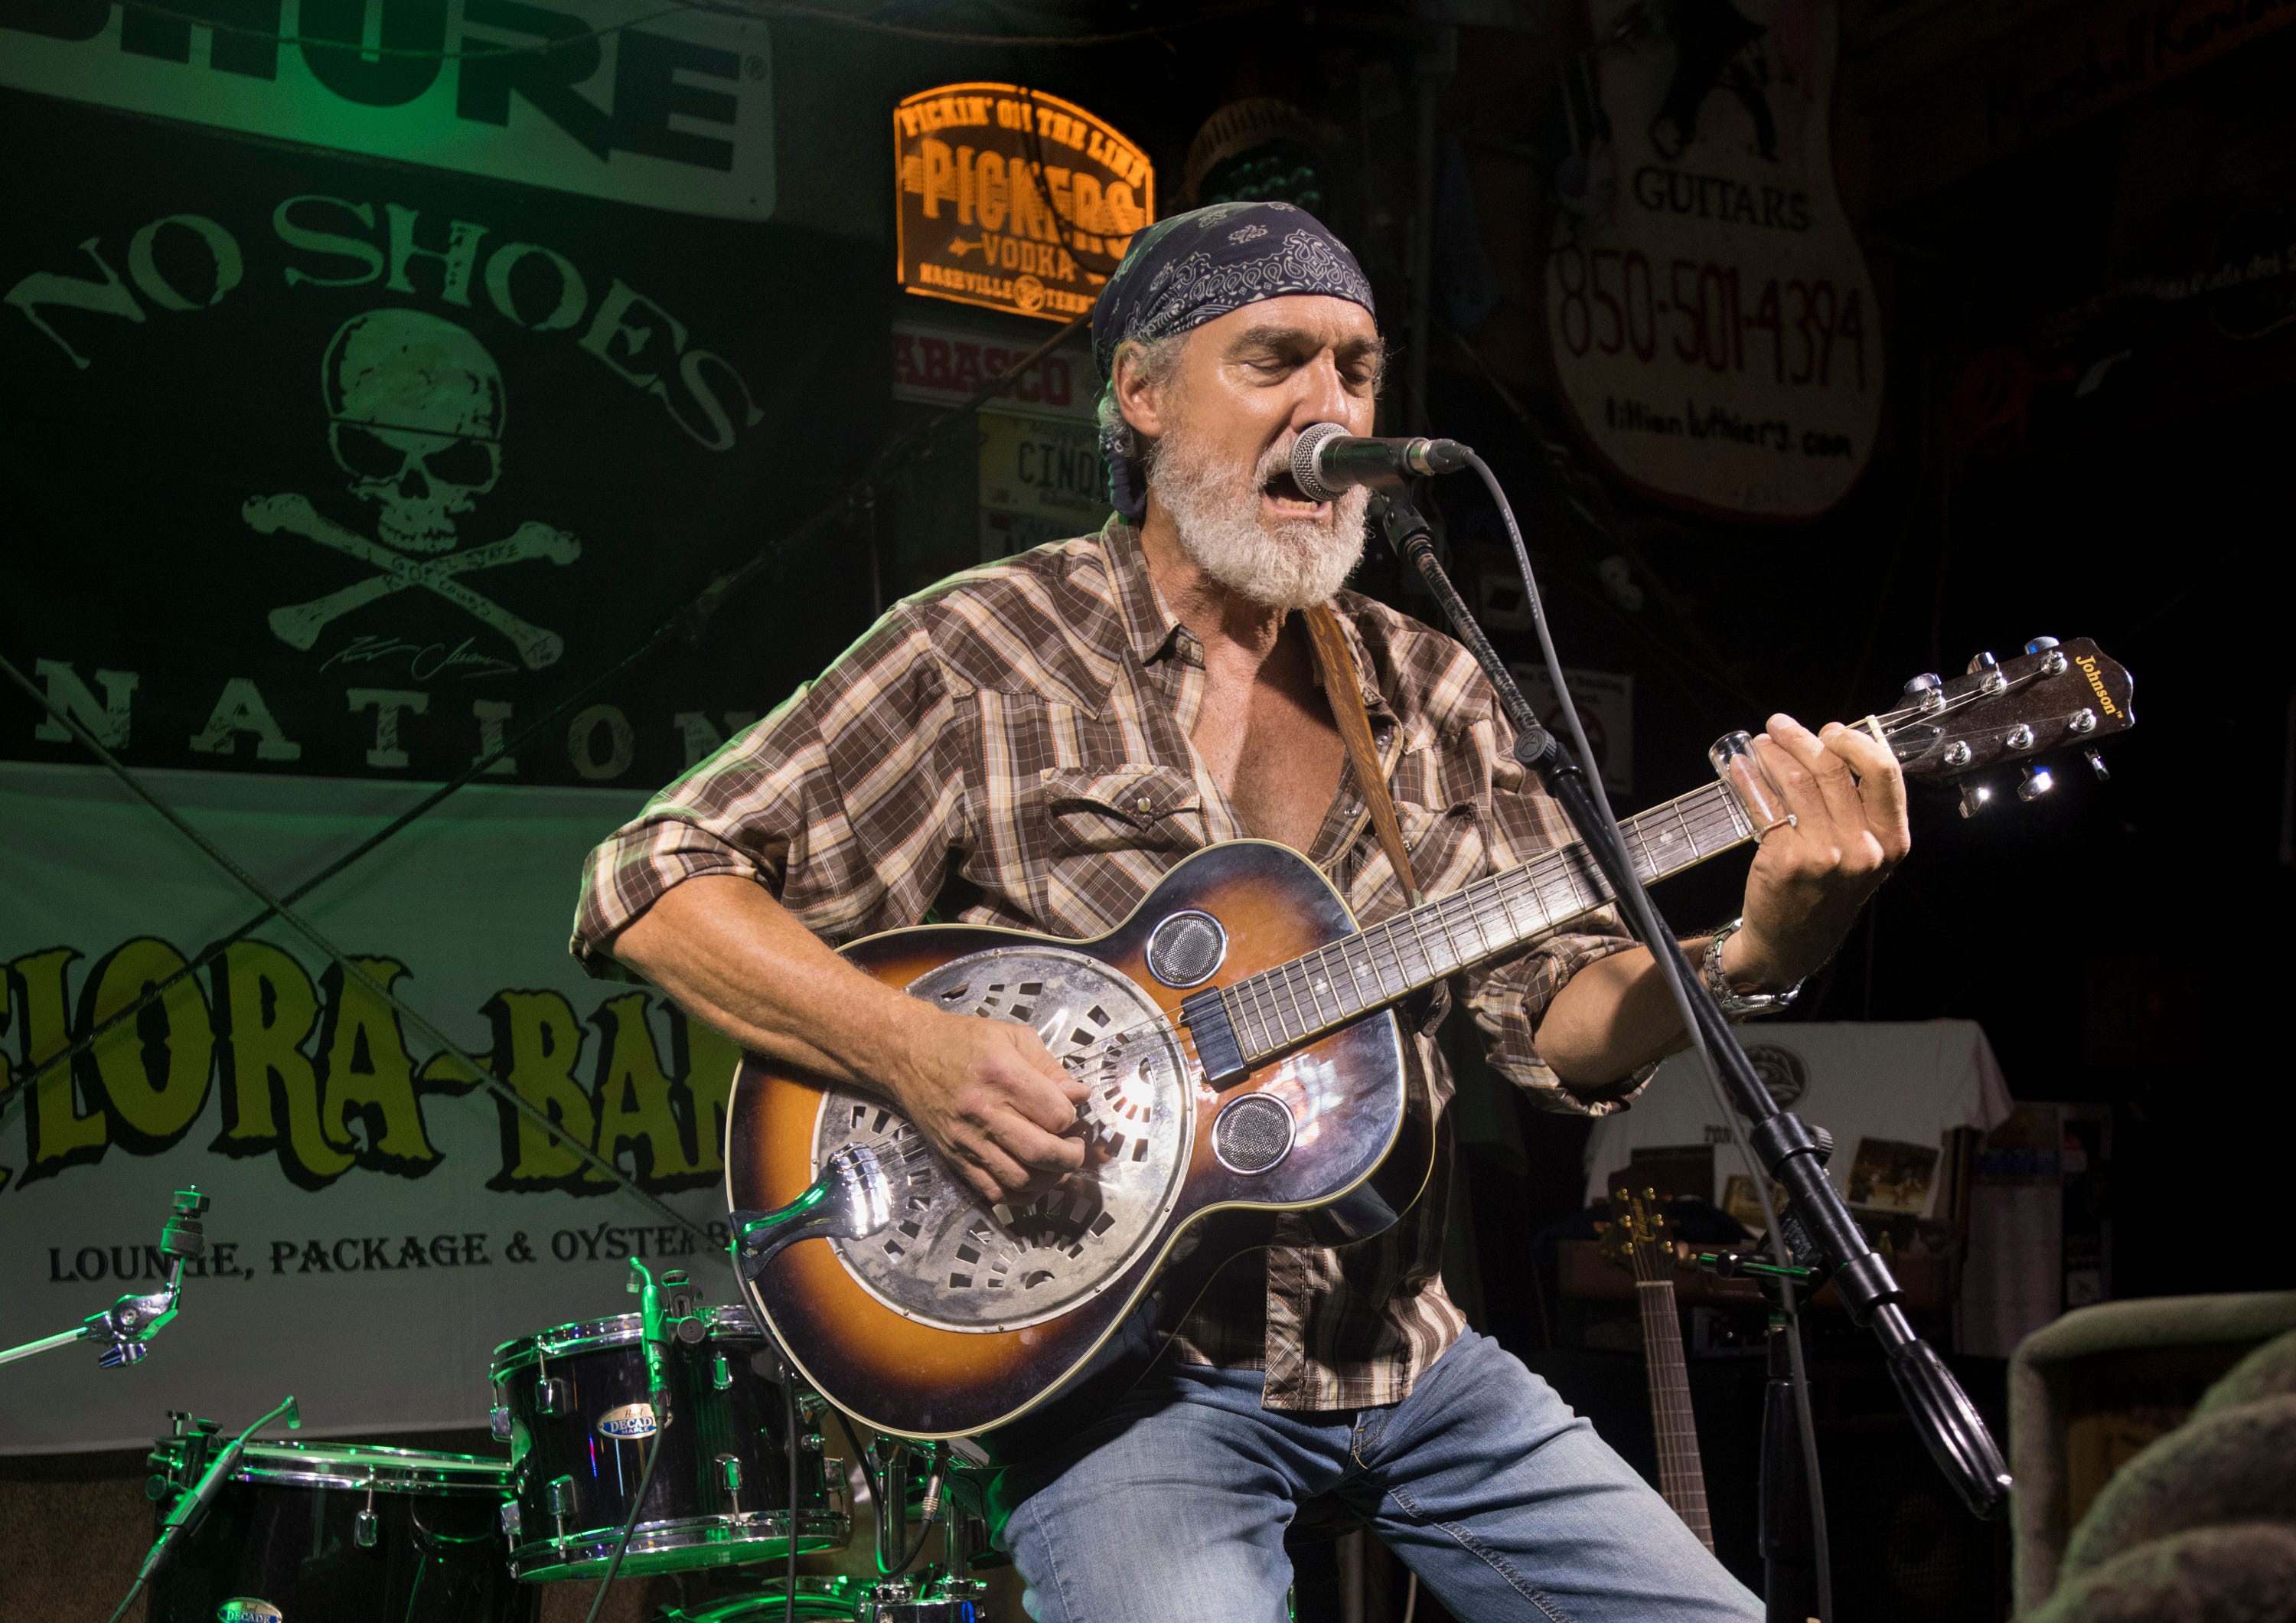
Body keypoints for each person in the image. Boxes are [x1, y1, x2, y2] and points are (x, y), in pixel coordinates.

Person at [572, 201, 1906, 1622]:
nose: (1329, 409)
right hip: (1130, 1394)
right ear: (1142, 395)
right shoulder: (986, 649)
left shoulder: (1433, 689)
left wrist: (1758, 950)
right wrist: (911, 1053)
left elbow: (1555, 1020)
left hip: (1409, 1358)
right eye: (1275, 359)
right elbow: (649, 881)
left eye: (1358, 369)